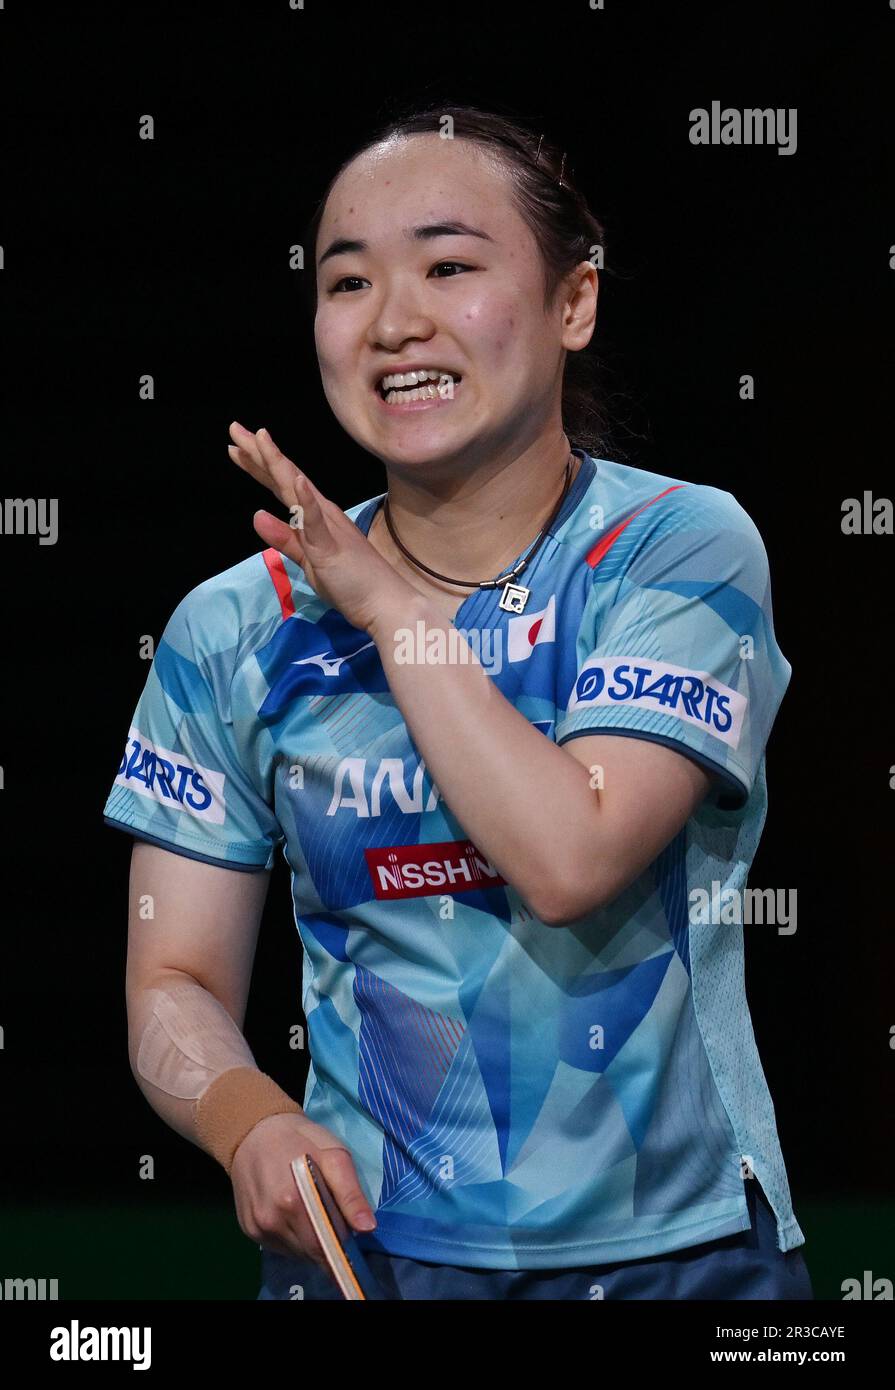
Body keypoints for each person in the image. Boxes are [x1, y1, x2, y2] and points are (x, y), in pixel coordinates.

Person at [103, 103, 812, 1300]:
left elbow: (569, 853)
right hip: (368, 1259)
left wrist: (387, 608)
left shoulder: (676, 549)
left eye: (448, 266)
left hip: (676, 1260)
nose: (394, 322)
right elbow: (173, 978)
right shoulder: (236, 624)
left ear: (572, 303)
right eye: (347, 281)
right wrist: (244, 1120)